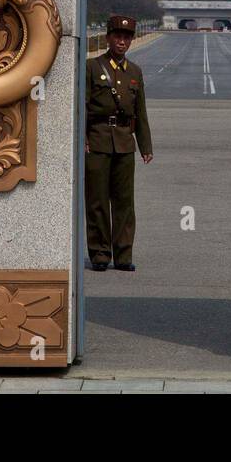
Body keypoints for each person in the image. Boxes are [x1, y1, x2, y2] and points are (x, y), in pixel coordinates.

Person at [84, 14, 153, 271]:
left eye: (126, 37)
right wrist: (83, 140)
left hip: (124, 143)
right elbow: (83, 106)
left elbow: (140, 112)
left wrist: (145, 146)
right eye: (117, 36)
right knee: (97, 201)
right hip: (98, 141)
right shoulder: (92, 67)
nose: (122, 42)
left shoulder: (135, 72)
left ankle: (123, 255)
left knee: (124, 202)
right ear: (108, 38)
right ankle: (100, 254)